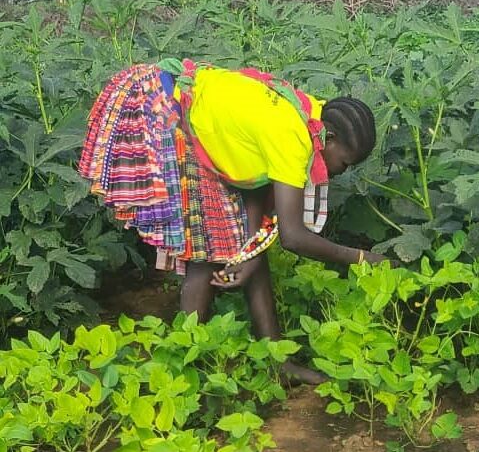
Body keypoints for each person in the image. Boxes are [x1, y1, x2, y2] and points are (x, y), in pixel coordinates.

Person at [79, 59, 389, 385]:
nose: (341, 171)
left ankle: (275, 362)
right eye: (344, 162)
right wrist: (361, 258)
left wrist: (250, 253)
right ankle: (179, 376)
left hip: (174, 99)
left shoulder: (310, 112)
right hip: (159, 108)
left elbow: (250, 179)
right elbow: (293, 237)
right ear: (332, 137)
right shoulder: (293, 137)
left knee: (234, 240)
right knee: (208, 250)